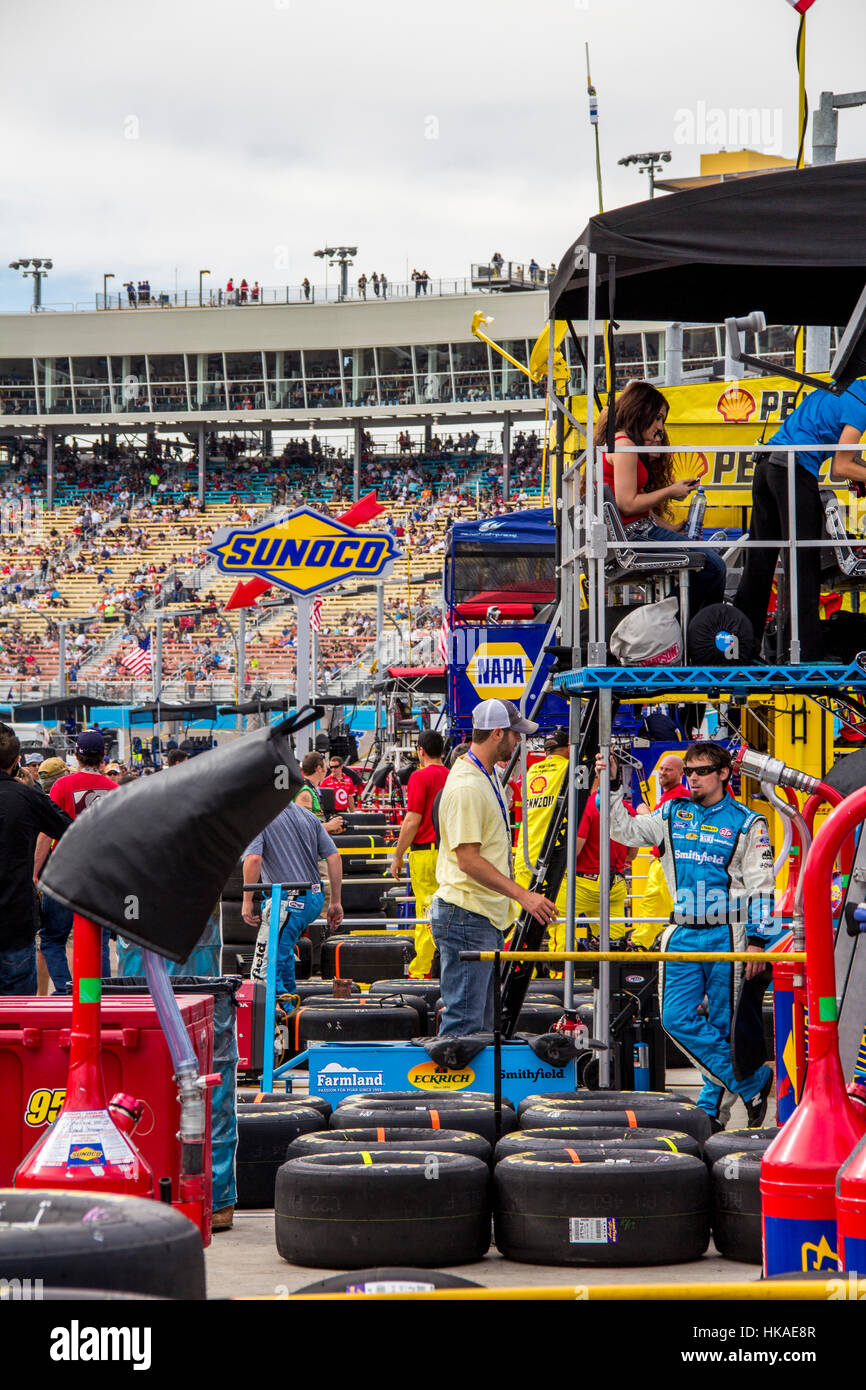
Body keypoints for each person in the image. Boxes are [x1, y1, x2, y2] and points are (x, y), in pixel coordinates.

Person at [596, 742, 775, 1130]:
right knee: (675, 1019)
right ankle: (751, 1080)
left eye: (701, 770)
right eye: (689, 771)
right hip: (681, 932)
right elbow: (622, 829)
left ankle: (713, 1113)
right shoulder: (672, 813)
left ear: (724, 773)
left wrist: (760, 941)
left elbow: (763, 887)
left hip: (732, 933)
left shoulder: (748, 822)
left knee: (724, 1026)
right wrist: (610, 785)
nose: (692, 777)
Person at [431, 699, 556, 1037]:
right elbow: (468, 859)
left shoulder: (482, 776)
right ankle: (452, 1090)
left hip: (475, 914)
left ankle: (471, 1089)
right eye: (514, 734)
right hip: (466, 914)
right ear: (497, 732)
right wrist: (523, 896)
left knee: (481, 1026)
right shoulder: (469, 786)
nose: (518, 741)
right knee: (466, 1027)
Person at [734, 377, 866, 661]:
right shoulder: (862, 403)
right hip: (794, 470)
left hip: (768, 464)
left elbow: (844, 458)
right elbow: (842, 466)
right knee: (804, 563)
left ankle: (743, 648)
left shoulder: (842, 388)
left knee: (760, 562)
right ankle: (806, 652)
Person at [596, 379, 726, 614]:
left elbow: (637, 507)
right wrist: (670, 491)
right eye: (657, 417)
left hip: (635, 532)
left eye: (661, 420)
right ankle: (677, 625)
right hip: (634, 535)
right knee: (713, 566)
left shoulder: (619, 443)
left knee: (711, 563)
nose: (660, 427)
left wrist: (672, 528)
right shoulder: (624, 444)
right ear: (640, 411)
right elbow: (627, 505)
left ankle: (678, 624)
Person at [34, 730, 117, 992]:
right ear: (103, 756)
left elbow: (46, 834)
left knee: (51, 939)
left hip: (63, 872)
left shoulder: (62, 786)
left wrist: (35, 873)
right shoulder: (115, 789)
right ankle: (97, 995)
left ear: (76, 755)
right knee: (99, 939)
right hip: (100, 875)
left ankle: (65, 991)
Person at [241, 800, 343, 1001]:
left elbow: (253, 859)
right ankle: (287, 1010)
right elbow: (334, 857)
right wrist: (335, 902)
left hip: (288, 899)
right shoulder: (308, 816)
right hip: (313, 897)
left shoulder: (259, 817)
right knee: (282, 954)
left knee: (265, 967)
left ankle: (273, 1021)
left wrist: (247, 899)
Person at [0, 723, 71, 994]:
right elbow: (67, 828)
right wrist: (35, 793)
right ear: (18, 762)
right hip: (14, 923)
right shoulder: (28, 797)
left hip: (16, 925)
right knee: (18, 1023)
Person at [389, 730, 449, 979]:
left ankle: (422, 970)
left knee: (426, 912)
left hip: (425, 854)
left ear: (420, 750)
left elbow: (412, 820)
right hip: (449, 854)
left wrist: (397, 854)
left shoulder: (419, 777)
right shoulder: (452, 775)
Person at [630, 753, 689, 949]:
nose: (663, 772)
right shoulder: (670, 796)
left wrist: (645, 814)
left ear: (681, 773)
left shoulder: (681, 797)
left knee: (675, 909)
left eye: (668, 769)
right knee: (649, 908)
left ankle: (681, 949)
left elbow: (664, 827)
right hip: (661, 864)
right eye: (662, 768)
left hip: (670, 865)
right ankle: (639, 948)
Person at [294, 751, 345, 835]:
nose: (327, 770)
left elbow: (314, 822)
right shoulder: (305, 793)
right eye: (326, 767)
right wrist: (329, 826)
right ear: (319, 768)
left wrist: (331, 828)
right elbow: (303, 827)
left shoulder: (312, 789)